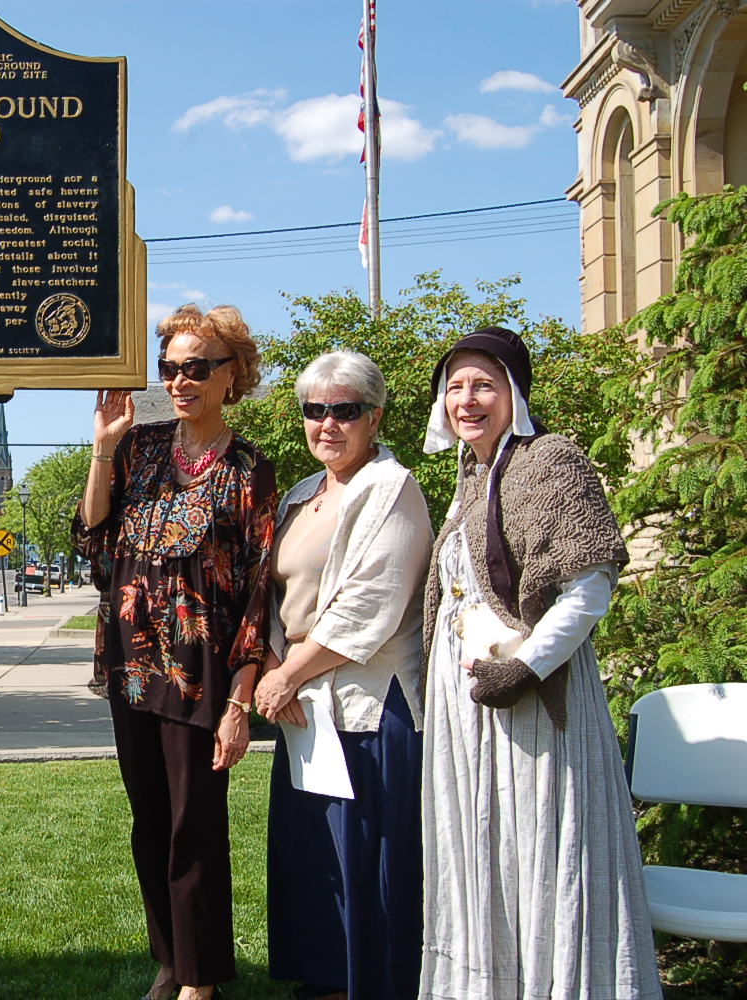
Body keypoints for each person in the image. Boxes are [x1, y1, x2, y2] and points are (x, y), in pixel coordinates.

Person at [417, 326, 661, 1000]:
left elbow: (591, 583)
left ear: (515, 392)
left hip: (532, 697)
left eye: (484, 385)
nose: (467, 399)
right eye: (456, 387)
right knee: (482, 857)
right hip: (468, 708)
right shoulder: (473, 474)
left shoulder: (550, 461)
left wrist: (526, 668)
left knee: (543, 849)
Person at [75, 303, 277, 1000]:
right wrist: (104, 447)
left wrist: (241, 702)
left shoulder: (250, 470)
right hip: (132, 666)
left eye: (197, 367)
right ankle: (172, 960)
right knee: (149, 823)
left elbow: (257, 596)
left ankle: (200, 980)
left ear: (233, 376)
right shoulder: (141, 448)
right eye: (171, 368)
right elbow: (90, 537)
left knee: (195, 825)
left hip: (201, 673)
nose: (181, 380)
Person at [253, 352, 431, 1000]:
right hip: (304, 709)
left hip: (367, 709)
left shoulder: (392, 489)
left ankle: (370, 986)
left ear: (374, 416)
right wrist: (275, 666)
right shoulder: (302, 495)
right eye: (314, 410)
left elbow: (370, 608)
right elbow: (270, 596)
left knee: (365, 866)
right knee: (313, 863)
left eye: (345, 410)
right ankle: (323, 983)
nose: (328, 423)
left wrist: (285, 676)